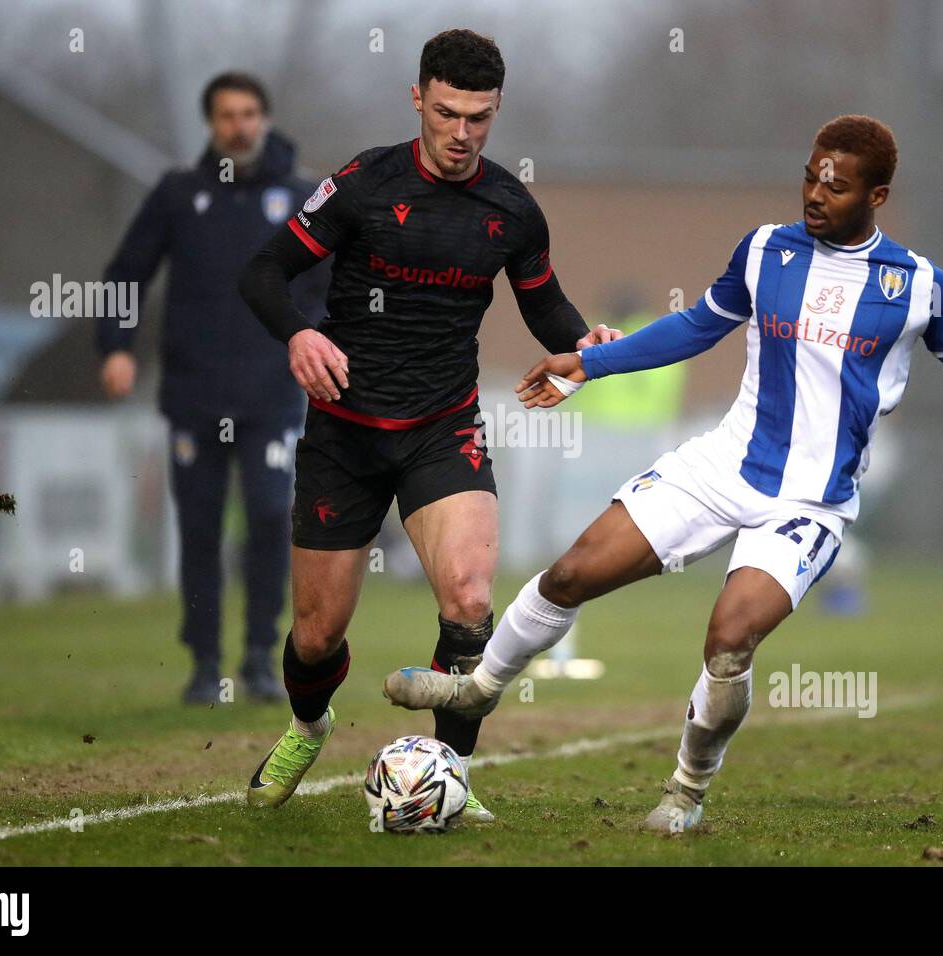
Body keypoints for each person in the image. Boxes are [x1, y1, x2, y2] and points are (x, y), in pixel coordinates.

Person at [382, 114, 943, 832]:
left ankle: (685, 790)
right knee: (571, 573)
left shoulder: (918, 285)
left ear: (878, 197)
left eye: (836, 186)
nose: (815, 194)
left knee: (730, 639)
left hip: (811, 502)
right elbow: (696, 326)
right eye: (809, 178)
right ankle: (478, 690)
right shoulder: (766, 251)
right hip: (722, 464)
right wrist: (591, 362)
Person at [238, 29, 619, 820]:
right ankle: (309, 726)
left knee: (472, 601)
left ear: (496, 111)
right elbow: (264, 271)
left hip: (442, 426)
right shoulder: (363, 184)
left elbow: (544, 304)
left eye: (478, 118)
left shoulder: (511, 208)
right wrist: (300, 334)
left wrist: (582, 343)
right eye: (446, 113)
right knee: (314, 636)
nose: (461, 133)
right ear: (418, 99)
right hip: (343, 430)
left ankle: (447, 773)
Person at [98, 72, 329, 704]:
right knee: (198, 527)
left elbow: (331, 286)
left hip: (272, 393)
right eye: (227, 114)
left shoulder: (304, 198)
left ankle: (259, 653)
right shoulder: (179, 193)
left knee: (266, 515)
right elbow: (126, 273)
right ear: (211, 124)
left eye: (250, 112)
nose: (240, 125)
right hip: (195, 395)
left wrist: (317, 344)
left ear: (266, 117)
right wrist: (116, 346)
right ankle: (204, 662)